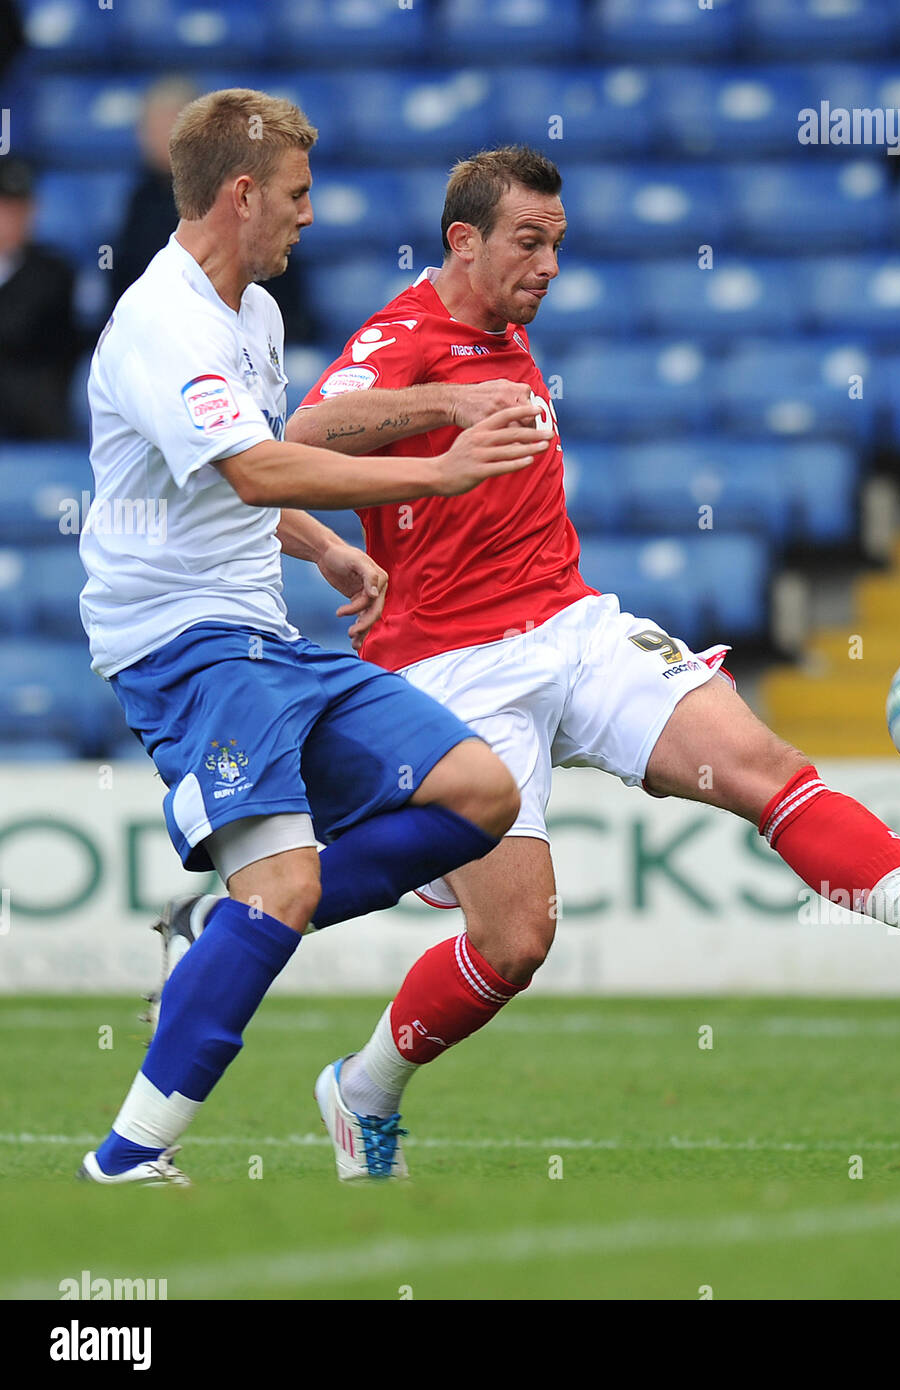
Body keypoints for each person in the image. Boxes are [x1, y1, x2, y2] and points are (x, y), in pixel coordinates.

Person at [170, 145, 900, 1183]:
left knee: (763, 767)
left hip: (574, 623)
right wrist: (443, 411)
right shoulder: (405, 334)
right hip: (452, 667)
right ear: (462, 240)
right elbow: (310, 429)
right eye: (527, 243)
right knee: (516, 943)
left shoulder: (507, 333)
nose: (549, 265)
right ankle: (361, 1087)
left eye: (557, 244)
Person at [76, 95, 548, 1187]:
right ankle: (127, 1156)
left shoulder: (255, 318)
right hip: (184, 644)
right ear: (241, 195)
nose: (309, 214)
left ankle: (224, 929)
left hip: (261, 631)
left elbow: (233, 474)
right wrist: (433, 468)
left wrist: (325, 551)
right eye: (295, 195)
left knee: (480, 792)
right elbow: (250, 467)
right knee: (283, 893)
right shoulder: (166, 323)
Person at [110, 77, 316, 341]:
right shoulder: (139, 205)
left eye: (170, 126)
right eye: (154, 126)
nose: (306, 216)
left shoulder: (263, 301)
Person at [0, 155, 80, 439]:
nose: (12, 218)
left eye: (20, 207)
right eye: (5, 207)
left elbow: (19, 330)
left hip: (31, 400)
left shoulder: (54, 270)